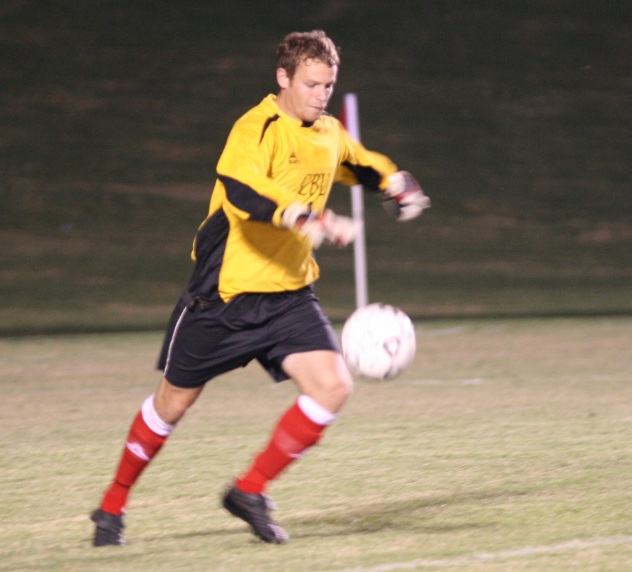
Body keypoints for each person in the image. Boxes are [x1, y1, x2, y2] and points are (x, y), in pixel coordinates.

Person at [90, 29, 430, 547]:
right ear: (283, 77)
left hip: (290, 296)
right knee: (171, 407)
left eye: (328, 85)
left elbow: (359, 162)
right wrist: (303, 216)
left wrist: (395, 183)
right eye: (312, 84)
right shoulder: (256, 128)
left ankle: (249, 491)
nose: (320, 95)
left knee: (333, 386)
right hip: (224, 296)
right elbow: (245, 190)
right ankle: (111, 506)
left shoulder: (328, 132)